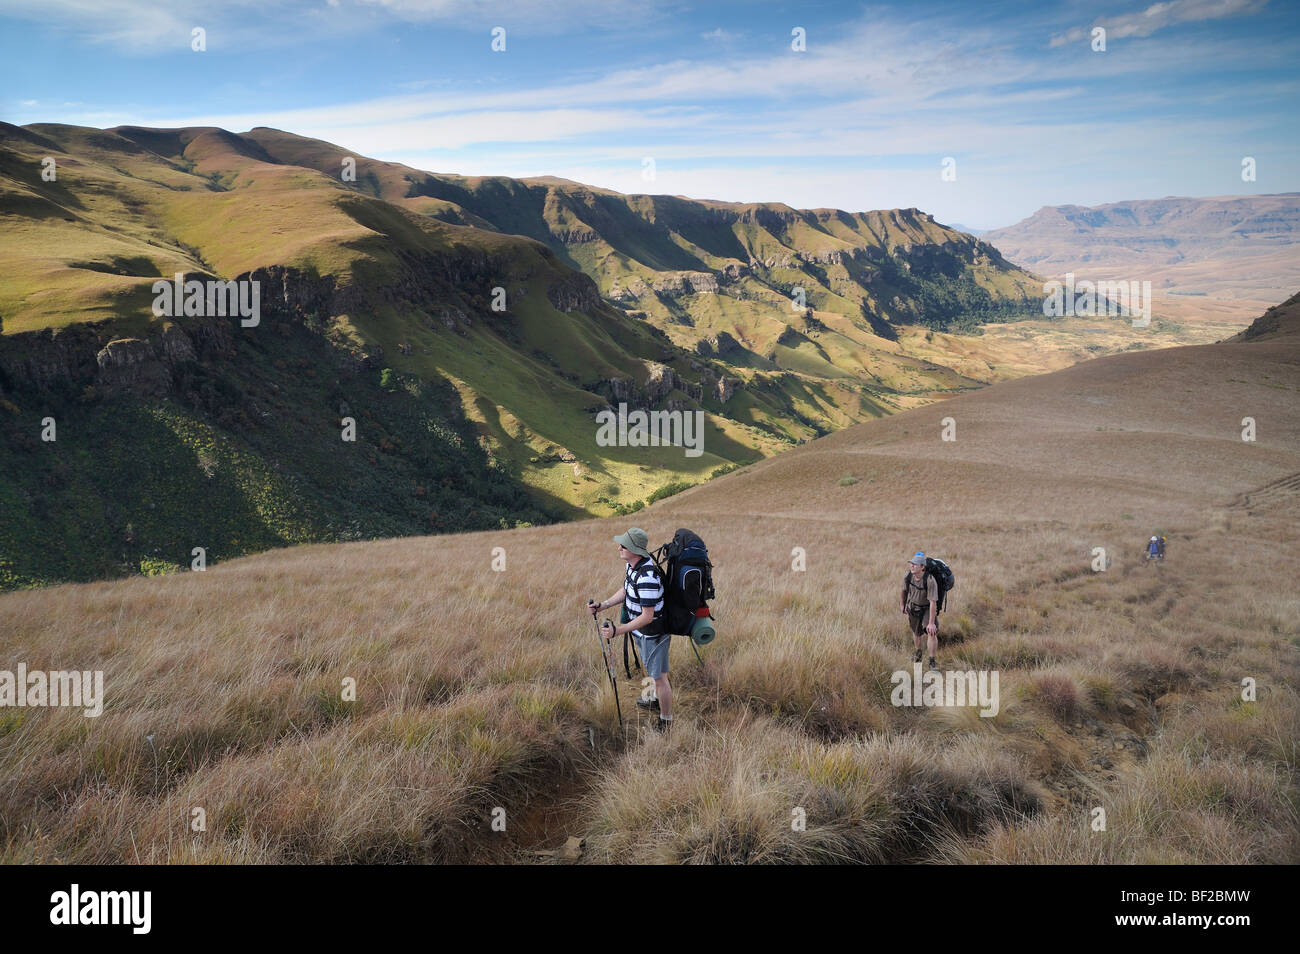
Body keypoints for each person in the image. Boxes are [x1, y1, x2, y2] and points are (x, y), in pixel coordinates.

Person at [588, 528, 673, 733]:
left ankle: (666, 720)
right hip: (642, 632)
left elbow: (648, 615)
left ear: (635, 550)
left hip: (653, 633)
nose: (619, 548)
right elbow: (627, 589)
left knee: (660, 677)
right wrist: (604, 605)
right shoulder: (632, 566)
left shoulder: (648, 577)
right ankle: (653, 700)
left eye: (623, 545)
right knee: (652, 670)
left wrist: (619, 630)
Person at [901, 551, 940, 671]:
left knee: (931, 632)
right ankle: (918, 653)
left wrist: (931, 622)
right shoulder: (908, 576)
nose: (912, 566)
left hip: (928, 608)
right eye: (911, 563)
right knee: (916, 632)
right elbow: (903, 591)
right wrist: (902, 604)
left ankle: (932, 661)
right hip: (913, 607)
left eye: (915, 564)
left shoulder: (930, 580)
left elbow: (933, 602)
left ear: (922, 567)